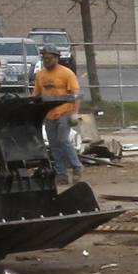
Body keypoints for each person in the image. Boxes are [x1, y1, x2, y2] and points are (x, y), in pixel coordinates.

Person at [33, 45, 84, 185]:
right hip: (49, 115)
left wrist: (75, 113)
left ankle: (76, 167)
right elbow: (36, 95)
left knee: (62, 140)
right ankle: (61, 174)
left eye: (49, 58)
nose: (46, 61)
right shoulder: (40, 75)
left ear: (56, 58)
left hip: (64, 112)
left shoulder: (67, 74)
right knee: (54, 145)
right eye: (44, 58)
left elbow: (76, 95)